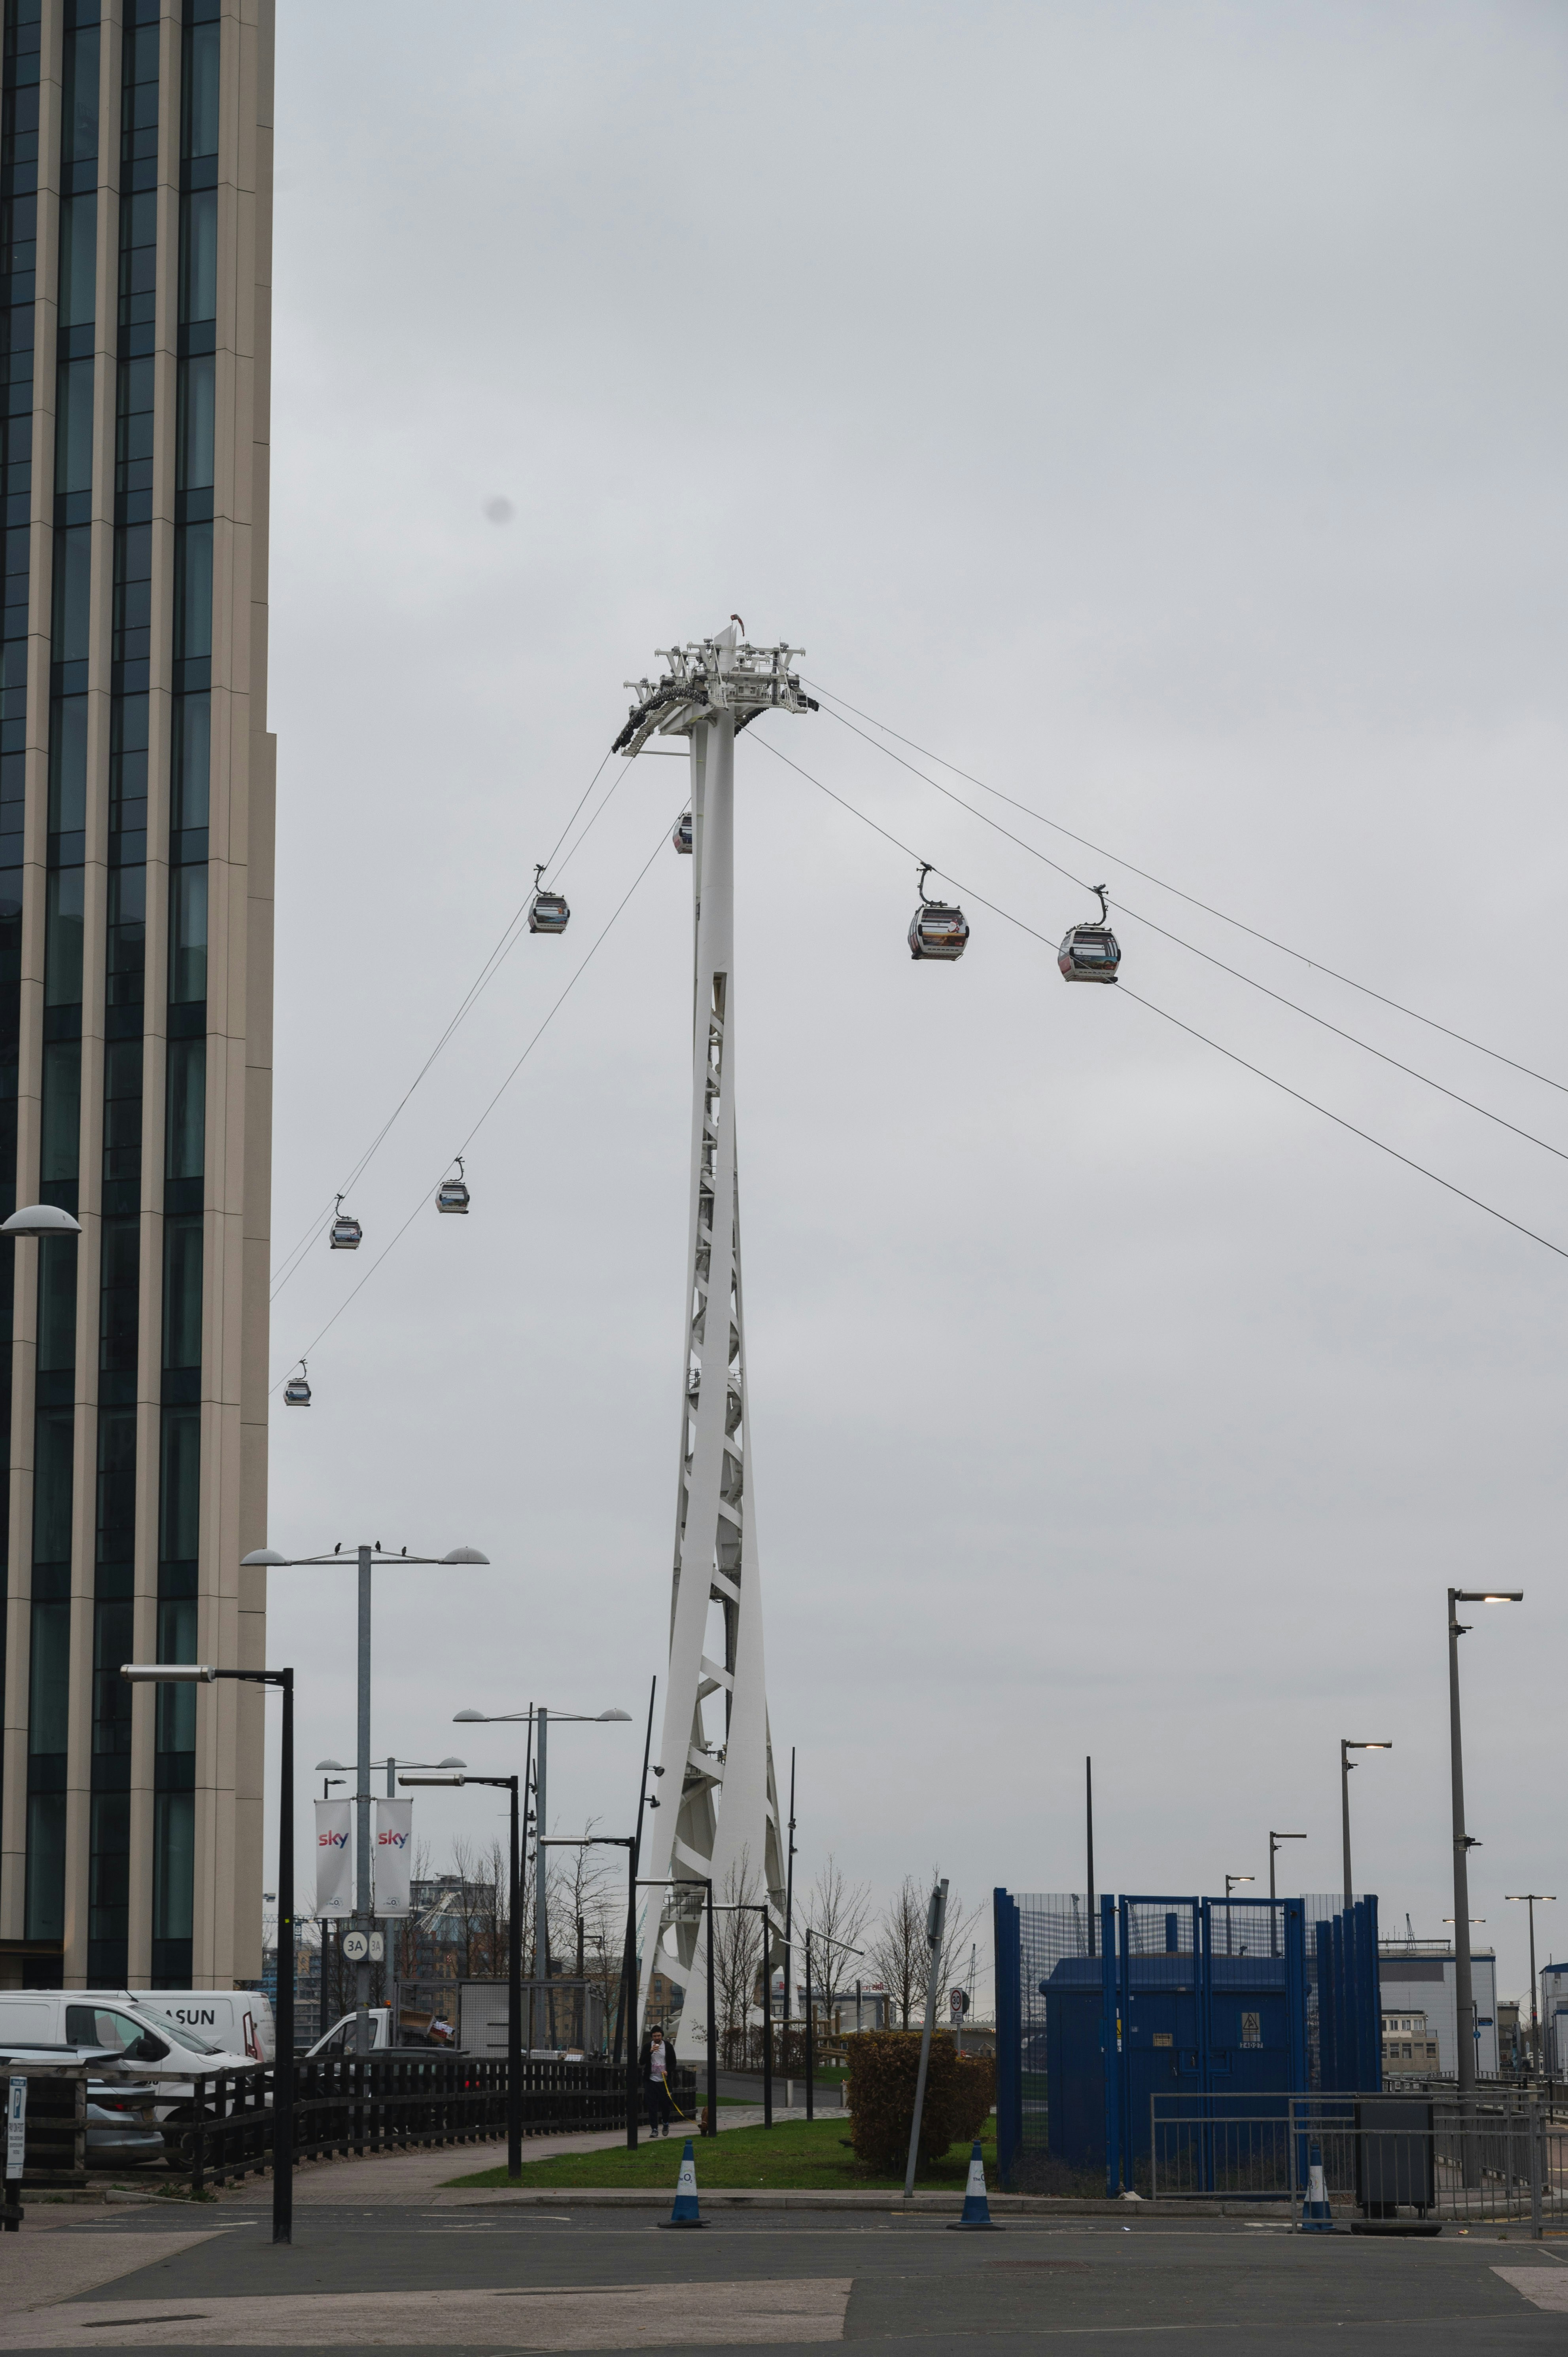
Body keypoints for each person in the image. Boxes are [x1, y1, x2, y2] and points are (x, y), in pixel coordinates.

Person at [640, 2021, 676, 2136]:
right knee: (652, 2106)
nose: (657, 2038)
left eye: (659, 2036)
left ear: (662, 2036)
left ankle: (665, 2123)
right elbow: (641, 2062)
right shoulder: (647, 2047)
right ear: (652, 2036)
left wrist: (668, 2071)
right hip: (651, 2080)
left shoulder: (668, 2046)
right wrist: (650, 2052)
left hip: (664, 2081)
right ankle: (654, 2129)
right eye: (655, 2036)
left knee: (666, 2105)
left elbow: (673, 2063)